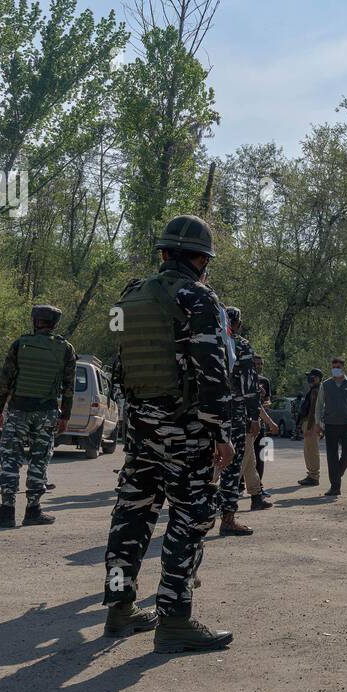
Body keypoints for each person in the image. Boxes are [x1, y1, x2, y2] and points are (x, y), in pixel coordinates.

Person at [100, 214, 236, 653]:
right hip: (185, 428)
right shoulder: (199, 299)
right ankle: (175, 618)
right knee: (190, 515)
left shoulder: (130, 297)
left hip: (140, 426)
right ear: (199, 258)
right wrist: (220, 431)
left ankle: (120, 606)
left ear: (163, 253)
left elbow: (118, 358)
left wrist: (135, 411)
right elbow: (212, 370)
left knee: (132, 513)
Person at [0, 307, 76, 528]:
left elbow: (5, 379)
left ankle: (6, 511)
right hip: (47, 411)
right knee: (39, 459)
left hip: (19, 409)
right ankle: (33, 510)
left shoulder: (20, 344)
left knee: (11, 459)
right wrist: (65, 416)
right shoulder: (65, 348)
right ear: (54, 324)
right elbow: (69, 386)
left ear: (35, 321)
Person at [216, 306, 262, 530]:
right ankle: (228, 518)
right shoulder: (241, 345)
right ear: (237, 324)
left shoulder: (206, 341)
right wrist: (254, 416)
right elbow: (250, 386)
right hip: (234, 415)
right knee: (232, 467)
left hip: (207, 412)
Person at [314, 356, 347, 497]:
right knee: (332, 456)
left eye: (338, 367)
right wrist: (318, 423)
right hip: (330, 425)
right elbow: (319, 406)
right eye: (334, 367)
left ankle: (336, 476)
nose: (336, 369)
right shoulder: (326, 385)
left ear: (343, 368)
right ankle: (335, 487)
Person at [239, 353, 275, 510]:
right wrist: (271, 423)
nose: (258, 366)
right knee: (239, 465)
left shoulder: (247, 378)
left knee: (250, 464)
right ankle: (219, 495)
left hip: (249, 428)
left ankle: (256, 496)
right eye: (255, 363)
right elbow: (256, 406)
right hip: (244, 427)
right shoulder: (247, 379)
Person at [297, 368, 323, 486]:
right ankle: (312, 474)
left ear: (317, 378)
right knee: (309, 450)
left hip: (311, 423)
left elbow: (313, 410)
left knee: (311, 451)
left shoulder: (316, 391)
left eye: (312, 377)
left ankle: (313, 476)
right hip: (310, 423)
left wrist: (309, 427)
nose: (310, 379)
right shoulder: (315, 390)